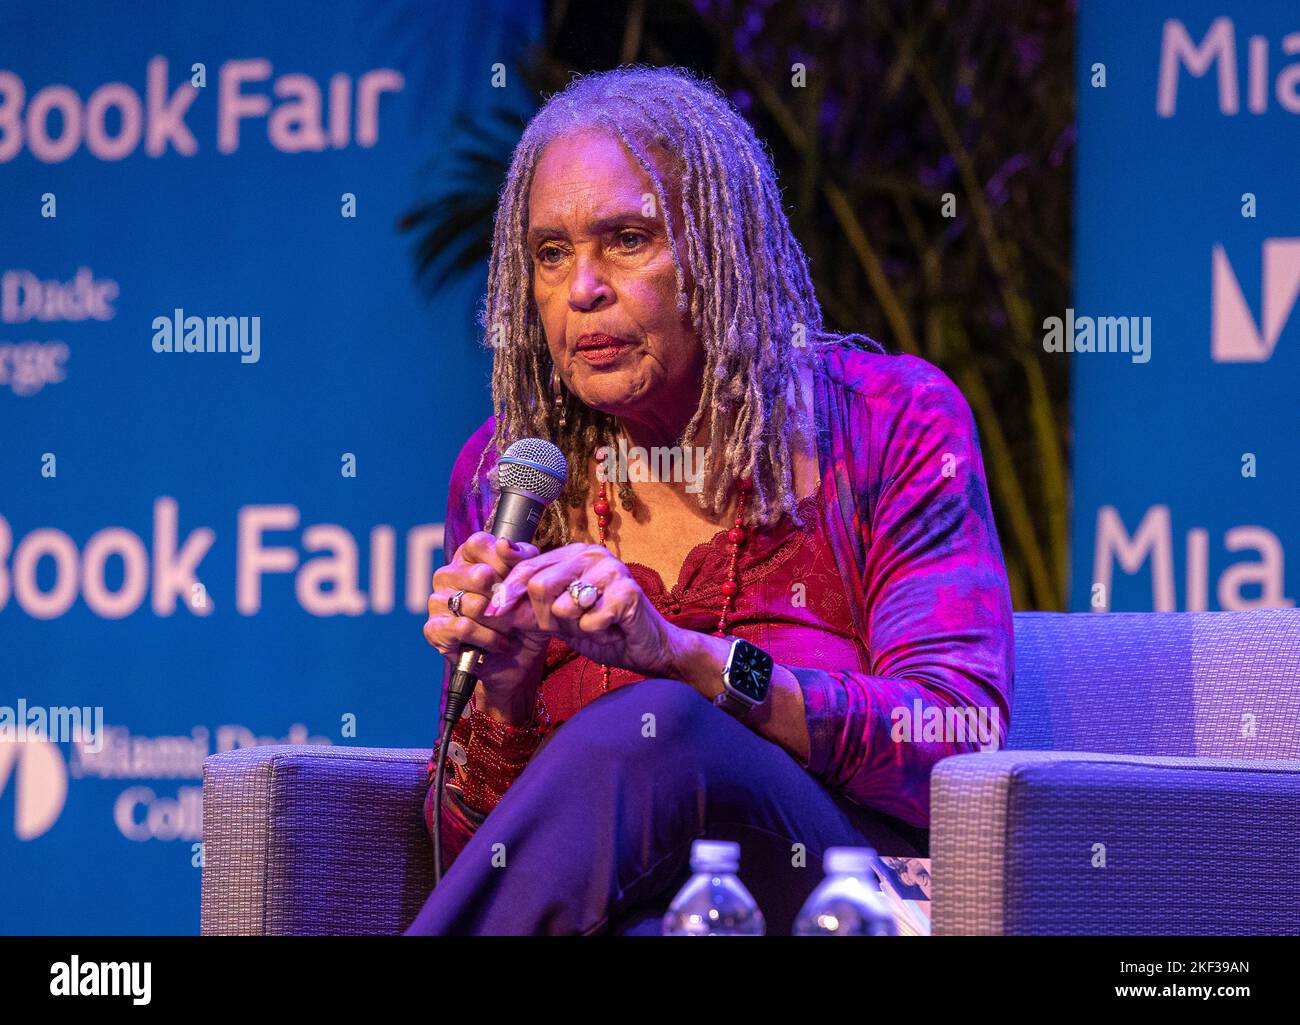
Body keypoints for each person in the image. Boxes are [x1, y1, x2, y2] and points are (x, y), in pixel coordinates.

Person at [404, 66, 1013, 936]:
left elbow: (956, 731)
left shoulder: (890, 425)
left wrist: (687, 658)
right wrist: (502, 696)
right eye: (550, 253)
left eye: (626, 239)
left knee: (658, 725)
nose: (582, 289)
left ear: (725, 252)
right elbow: (488, 858)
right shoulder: (510, 476)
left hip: (850, 897)